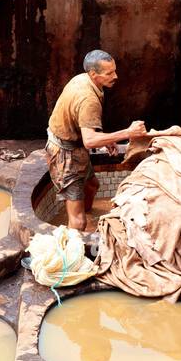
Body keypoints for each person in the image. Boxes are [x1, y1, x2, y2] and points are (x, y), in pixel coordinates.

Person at [46, 49, 147, 231]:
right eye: (109, 73)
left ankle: (86, 216)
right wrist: (128, 132)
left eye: (114, 70)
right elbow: (90, 141)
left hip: (75, 148)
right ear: (94, 74)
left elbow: (83, 123)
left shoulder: (83, 80)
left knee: (92, 185)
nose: (115, 76)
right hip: (65, 155)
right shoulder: (88, 99)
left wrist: (106, 139)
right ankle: (74, 249)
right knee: (78, 222)